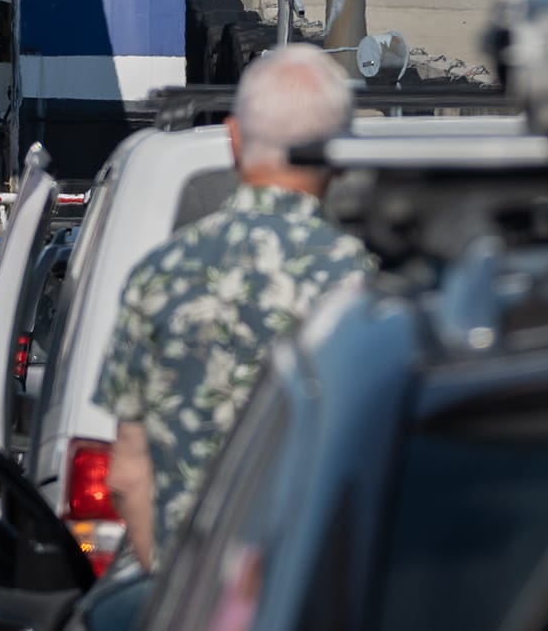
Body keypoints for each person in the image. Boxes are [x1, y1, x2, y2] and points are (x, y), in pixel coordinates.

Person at [94, 46, 370, 569]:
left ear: (234, 137)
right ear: (336, 151)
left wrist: (176, 594)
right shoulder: (362, 286)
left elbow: (128, 474)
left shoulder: (161, 272)